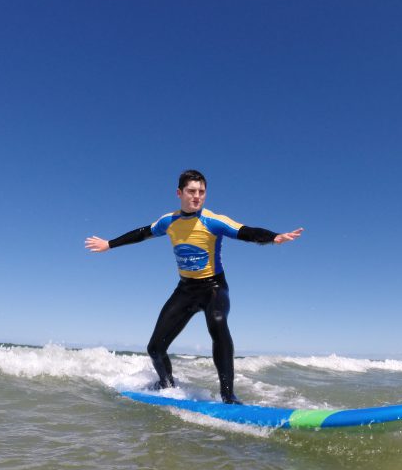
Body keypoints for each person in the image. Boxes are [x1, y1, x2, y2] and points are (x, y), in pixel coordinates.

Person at [85, 169, 303, 403]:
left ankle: (228, 396)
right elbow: (142, 233)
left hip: (213, 288)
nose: (197, 196)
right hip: (185, 290)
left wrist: (273, 237)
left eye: (201, 192)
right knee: (155, 348)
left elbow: (245, 231)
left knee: (218, 325)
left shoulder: (213, 220)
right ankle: (167, 386)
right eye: (191, 191)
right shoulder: (169, 221)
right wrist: (109, 244)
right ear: (179, 193)